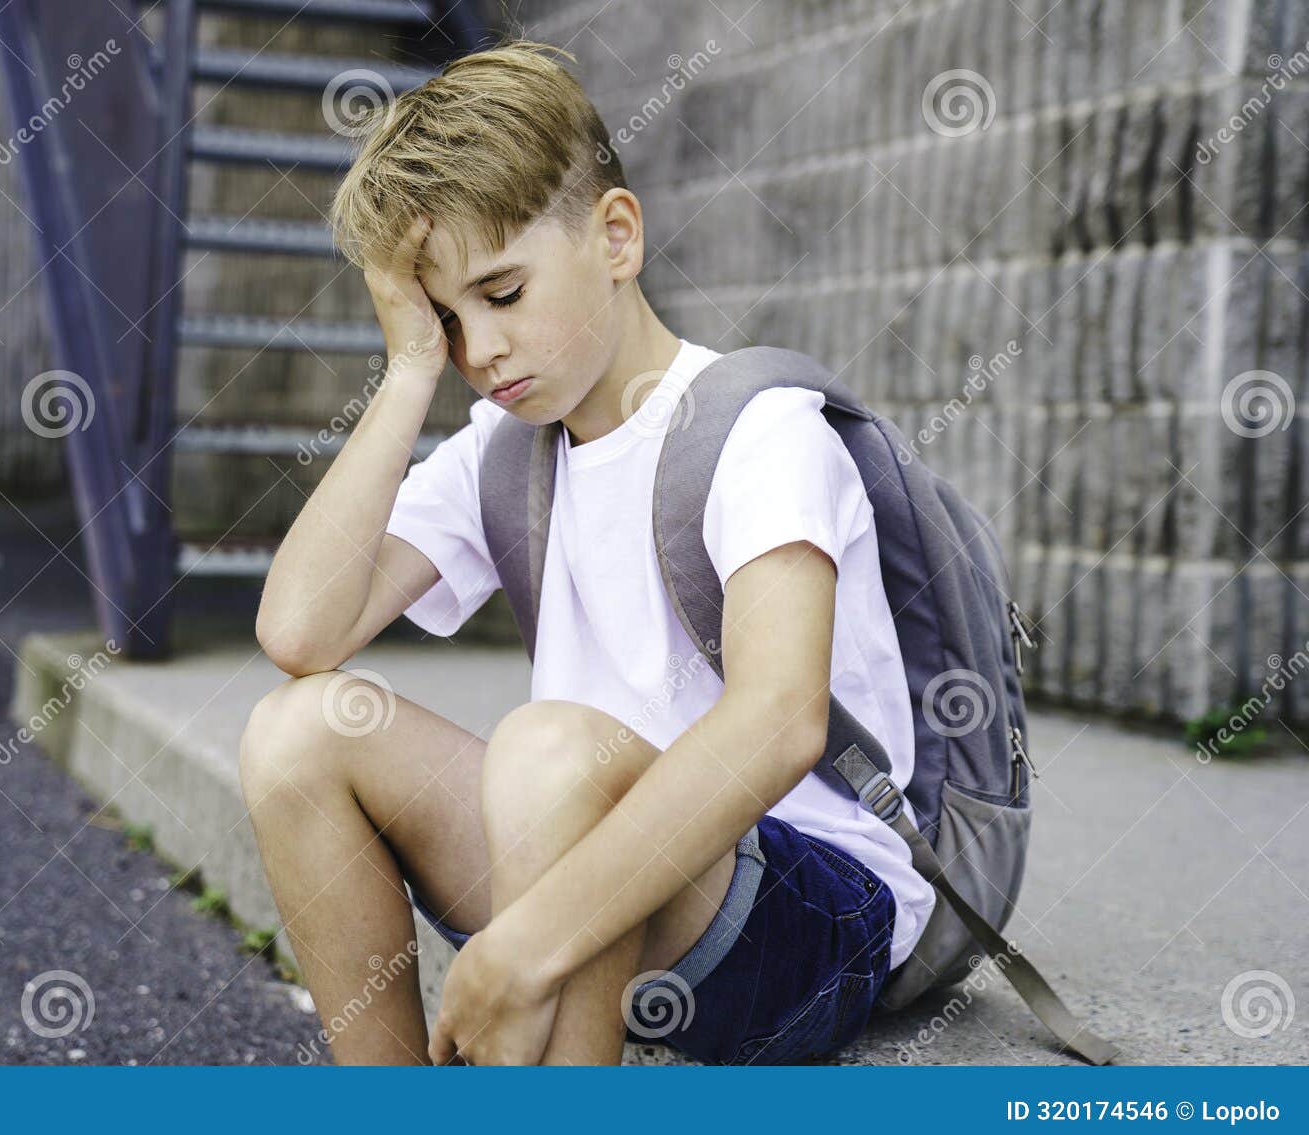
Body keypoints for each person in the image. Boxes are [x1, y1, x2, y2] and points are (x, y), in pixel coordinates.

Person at [238, 38, 934, 1066]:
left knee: (549, 747)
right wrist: (405, 371)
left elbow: (780, 721)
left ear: (614, 237)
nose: (482, 352)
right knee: (295, 732)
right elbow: (301, 632)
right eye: (447, 318)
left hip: (803, 912)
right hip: (580, 856)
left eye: (502, 295)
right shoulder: (506, 449)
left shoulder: (756, 427)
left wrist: (522, 946)